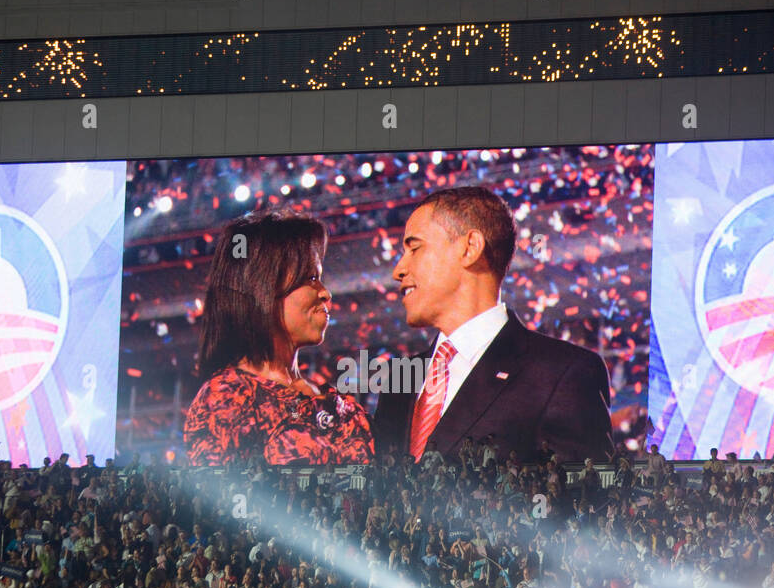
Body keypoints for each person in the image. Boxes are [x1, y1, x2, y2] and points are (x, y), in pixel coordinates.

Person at [372, 186, 614, 464]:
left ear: (470, 248)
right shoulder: (399, 381)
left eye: (414, 248)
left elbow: (583, 503)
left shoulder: (563, 374)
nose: (398, 270)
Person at [183, 212, 373, 465]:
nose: (325, 293)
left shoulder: (346, 409)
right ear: (263, 288)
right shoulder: (226, 401)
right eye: (311, 279)